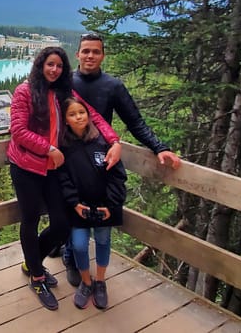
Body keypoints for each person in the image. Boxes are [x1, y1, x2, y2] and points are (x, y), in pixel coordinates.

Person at [61, 32, 182, 289]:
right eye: (86, 51)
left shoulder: (112, 86)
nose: (90, 55)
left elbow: (135, 121)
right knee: (68, 203)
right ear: (78, 54)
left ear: (103, 55)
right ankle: (69, 256)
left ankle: (77, 258)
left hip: (98, 156)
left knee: (92, 208)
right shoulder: (66, 81)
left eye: (95, 51)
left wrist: (159, 148)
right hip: (69, 153)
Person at [7, 46, 121, 310]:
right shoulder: (25, 91)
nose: (54, 70)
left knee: (61, 223)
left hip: (51, 168)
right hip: (26, 166)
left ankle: (31, 260)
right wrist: (49, 148)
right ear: (40, 65)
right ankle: (36, 275)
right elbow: (18, 130)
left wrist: (114, 140)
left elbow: (91, 115)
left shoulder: (63, 92)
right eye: (50, 64)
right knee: (30, 220)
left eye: (59, 66)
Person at [57, 97, 127, 309]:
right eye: (72, 114)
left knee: (103, 241)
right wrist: (74, 203)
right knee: (79, 245)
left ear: (88, 116)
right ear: (66, 120)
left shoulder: (103, 142)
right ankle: (86, 283)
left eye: (82, 112)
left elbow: (118, 176)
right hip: (79, 208)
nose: (78, 117)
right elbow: (62, 178)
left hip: (105, 207)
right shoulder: (64, 147)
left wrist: (111, 205)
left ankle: (100, 282)